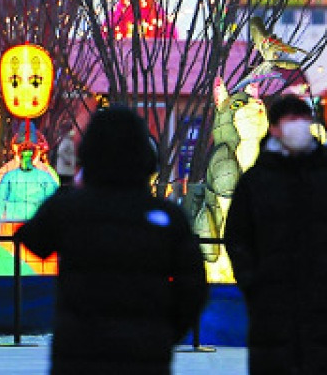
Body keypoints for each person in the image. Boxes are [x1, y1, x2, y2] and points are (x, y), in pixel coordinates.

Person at [18, 106, 207, 374]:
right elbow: (194, 285)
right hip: (145, 354)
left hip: (79, 353)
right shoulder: (167, 218)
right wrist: (167, 331)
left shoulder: (68, 209)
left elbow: (33, 240)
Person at [225, 95, 327, 375]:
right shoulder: (256, 181)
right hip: (271, 303)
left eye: (304, 119)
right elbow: (238, 236)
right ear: (275, 128)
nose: (300, 126)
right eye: (292, 120)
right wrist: (252, 281)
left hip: (325, 301)